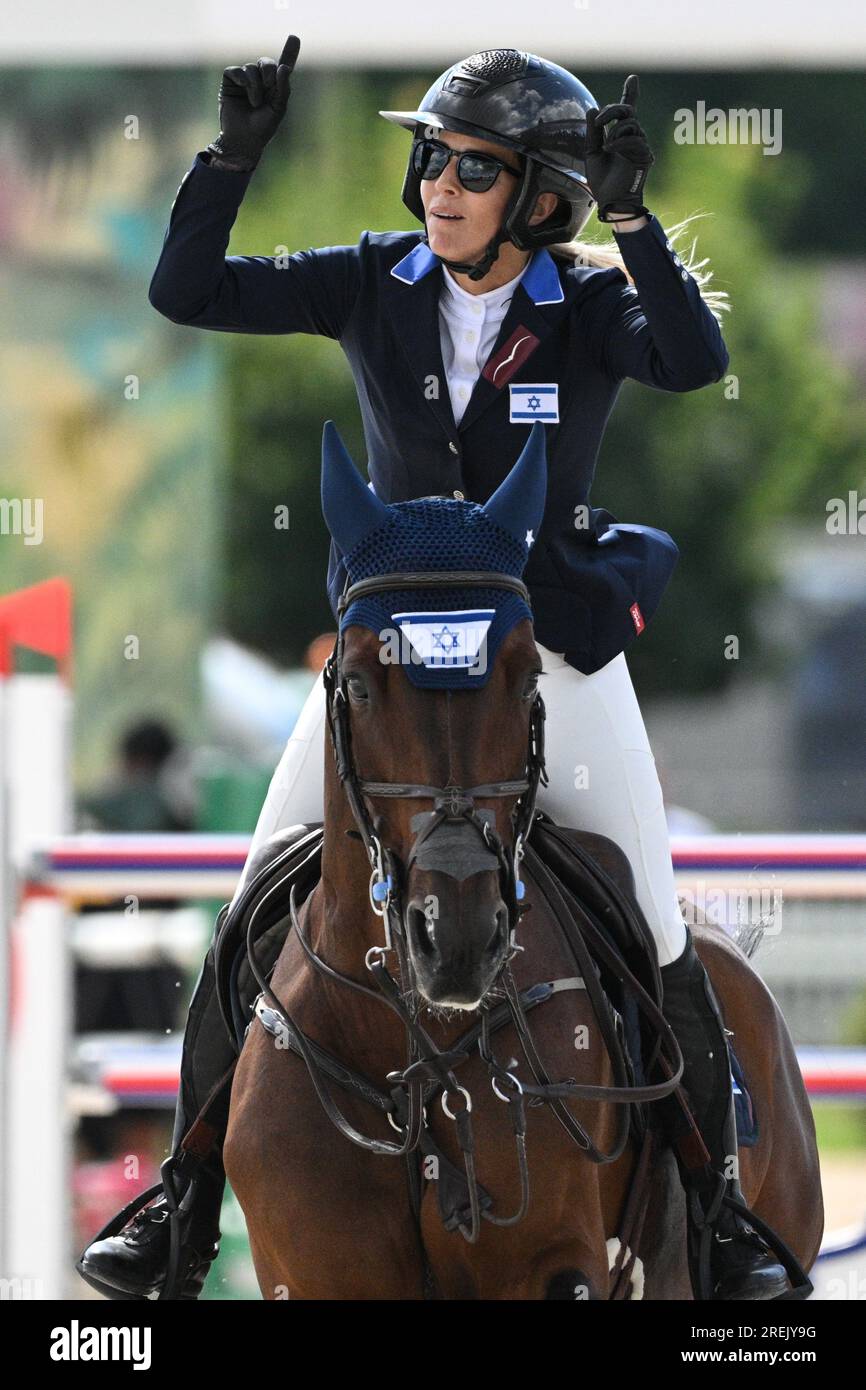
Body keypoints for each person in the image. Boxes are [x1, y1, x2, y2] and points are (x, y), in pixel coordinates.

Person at [78, 40, 789, 1301]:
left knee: (658, 924)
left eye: (472, 166)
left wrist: (633, 221)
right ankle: (179, 1199)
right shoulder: (368, 280)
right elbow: (187, 291)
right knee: (249, 917)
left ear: (539, 199)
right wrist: (230, 155)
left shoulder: (589, 305)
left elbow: (694, 361)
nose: (436, 184)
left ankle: (715, 1211)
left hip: (543, 658)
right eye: (430, 158)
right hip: (390, 677)